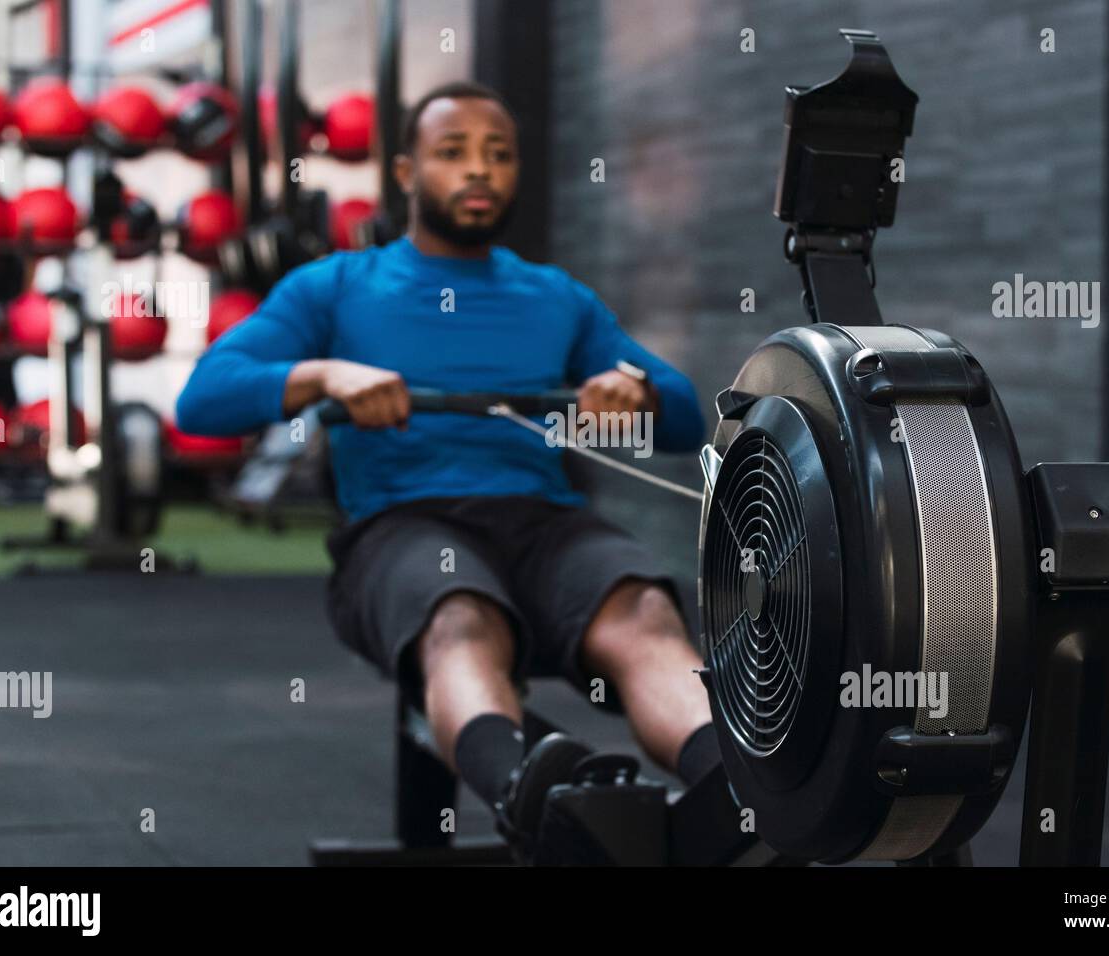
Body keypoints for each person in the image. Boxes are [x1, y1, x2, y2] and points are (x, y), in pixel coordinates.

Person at [176, 81, 721, 855]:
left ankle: (736, 796)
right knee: (459, 614)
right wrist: (324, 375)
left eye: (498, 155)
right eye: (453, 152)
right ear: (406, 172)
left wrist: (632, 391)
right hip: (402, 526)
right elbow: (203, 400)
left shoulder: (554, 296)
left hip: (544, 525)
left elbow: (685, 416)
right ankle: (534, 800)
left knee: (644, 610)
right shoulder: (336, 287)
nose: (479, 170)